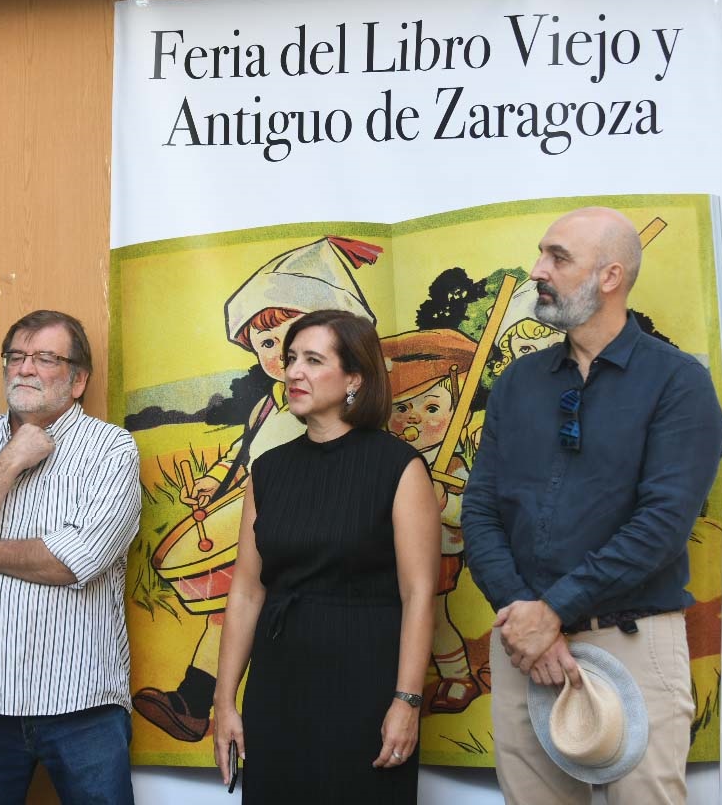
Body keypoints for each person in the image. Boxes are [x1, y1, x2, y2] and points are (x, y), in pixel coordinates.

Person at [460, 207, 722, 805]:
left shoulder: (677, 384)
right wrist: (523, 614)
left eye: (558, 257)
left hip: (629, 639)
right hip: (522, 644)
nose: (537, 270)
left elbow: (661, 526)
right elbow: (479, 510)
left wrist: (554, 610)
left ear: (609, 277)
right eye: (541, 254)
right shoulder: (517, 383)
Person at [134, 235, 380, 743]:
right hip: (256, 528)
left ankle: (196, 700)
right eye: (267, 346)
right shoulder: (270, 405)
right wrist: (212, 480)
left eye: (294, 344)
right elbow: (242, 454)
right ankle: (202, 702)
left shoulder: (354, 443)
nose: (282, 359)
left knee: (227, 614)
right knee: (228, 609)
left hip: (305, 561)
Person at [0, 310, 141, 805]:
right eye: (16, 357)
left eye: (45, 358)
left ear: (78, 380)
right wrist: (11, 458)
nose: (25, 369)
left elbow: (75, 560)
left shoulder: (112, 449)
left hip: (82, 701)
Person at [211, 309, 439, 804]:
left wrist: (406, 700)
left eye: (313, 360)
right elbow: (248, 591)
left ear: (355, 377)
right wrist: (224, 701)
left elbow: (420, 593)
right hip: (279, 686)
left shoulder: (399, 468)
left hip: (366, 685)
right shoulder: (268, 470)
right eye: (292, 358)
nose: (293, 371)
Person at [381, 327, 484, 714]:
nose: (415, 420)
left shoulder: (451, 464)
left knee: (434, 616)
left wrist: (444, 503)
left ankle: (458, 676)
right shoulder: (386, 458)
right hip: (390, 555)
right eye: (402, 409)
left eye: (432, 408)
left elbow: (469, 513)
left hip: (436, 553)